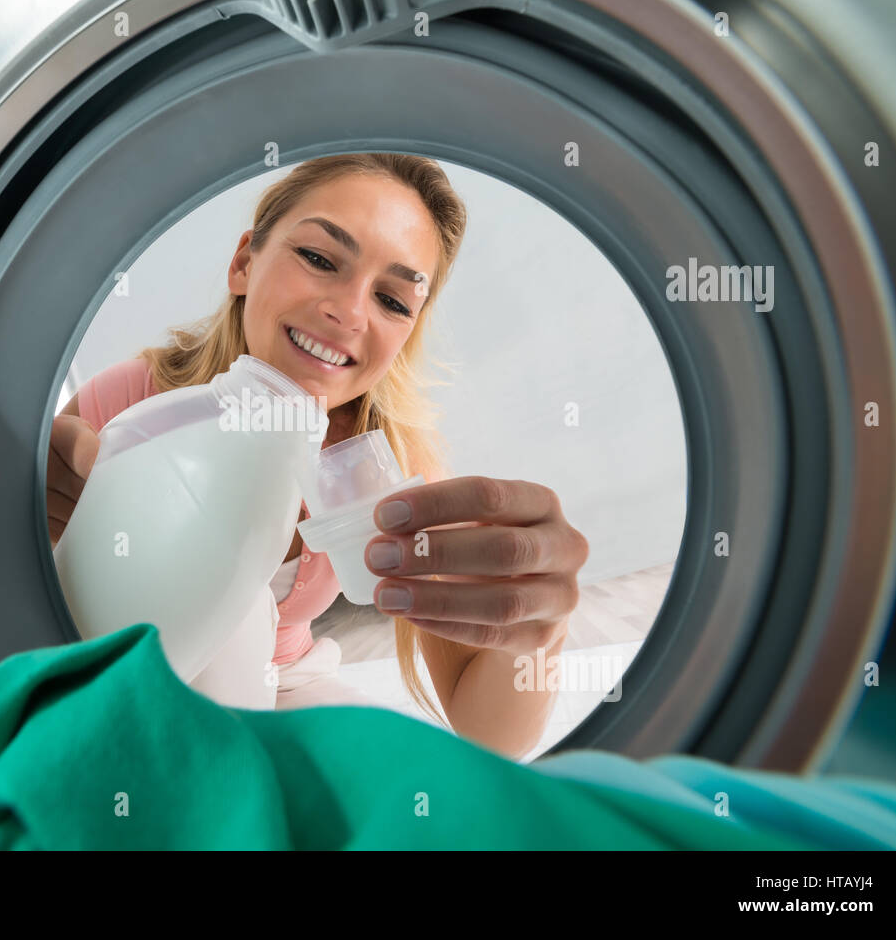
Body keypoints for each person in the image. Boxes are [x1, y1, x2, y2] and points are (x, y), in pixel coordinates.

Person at [47, 154, 589, 760]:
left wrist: (538, 632)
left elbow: (490, 737)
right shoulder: (134, 406)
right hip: (143, 680)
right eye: (320, 259)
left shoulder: (380, 470)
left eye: (392, 300)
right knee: (241, 607)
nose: (349, 314)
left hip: (287, 684)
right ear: (244, 262)